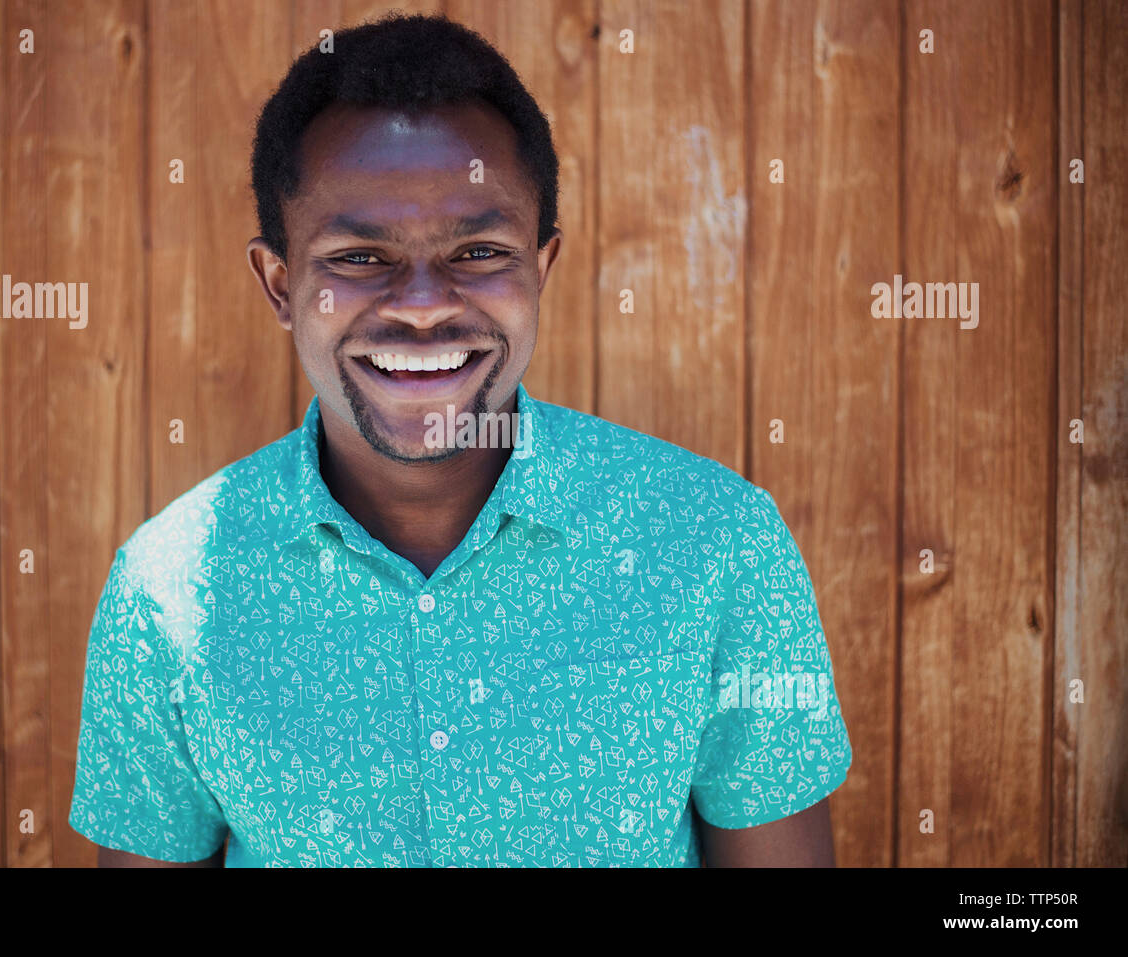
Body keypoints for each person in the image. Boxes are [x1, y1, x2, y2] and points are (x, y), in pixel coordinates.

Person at [69, 11, 851, 867]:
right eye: (360, 257)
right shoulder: (167, 593)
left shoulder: (715, 545)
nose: (422, 305)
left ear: (540, 269)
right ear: (280, 283)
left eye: (478, 250)